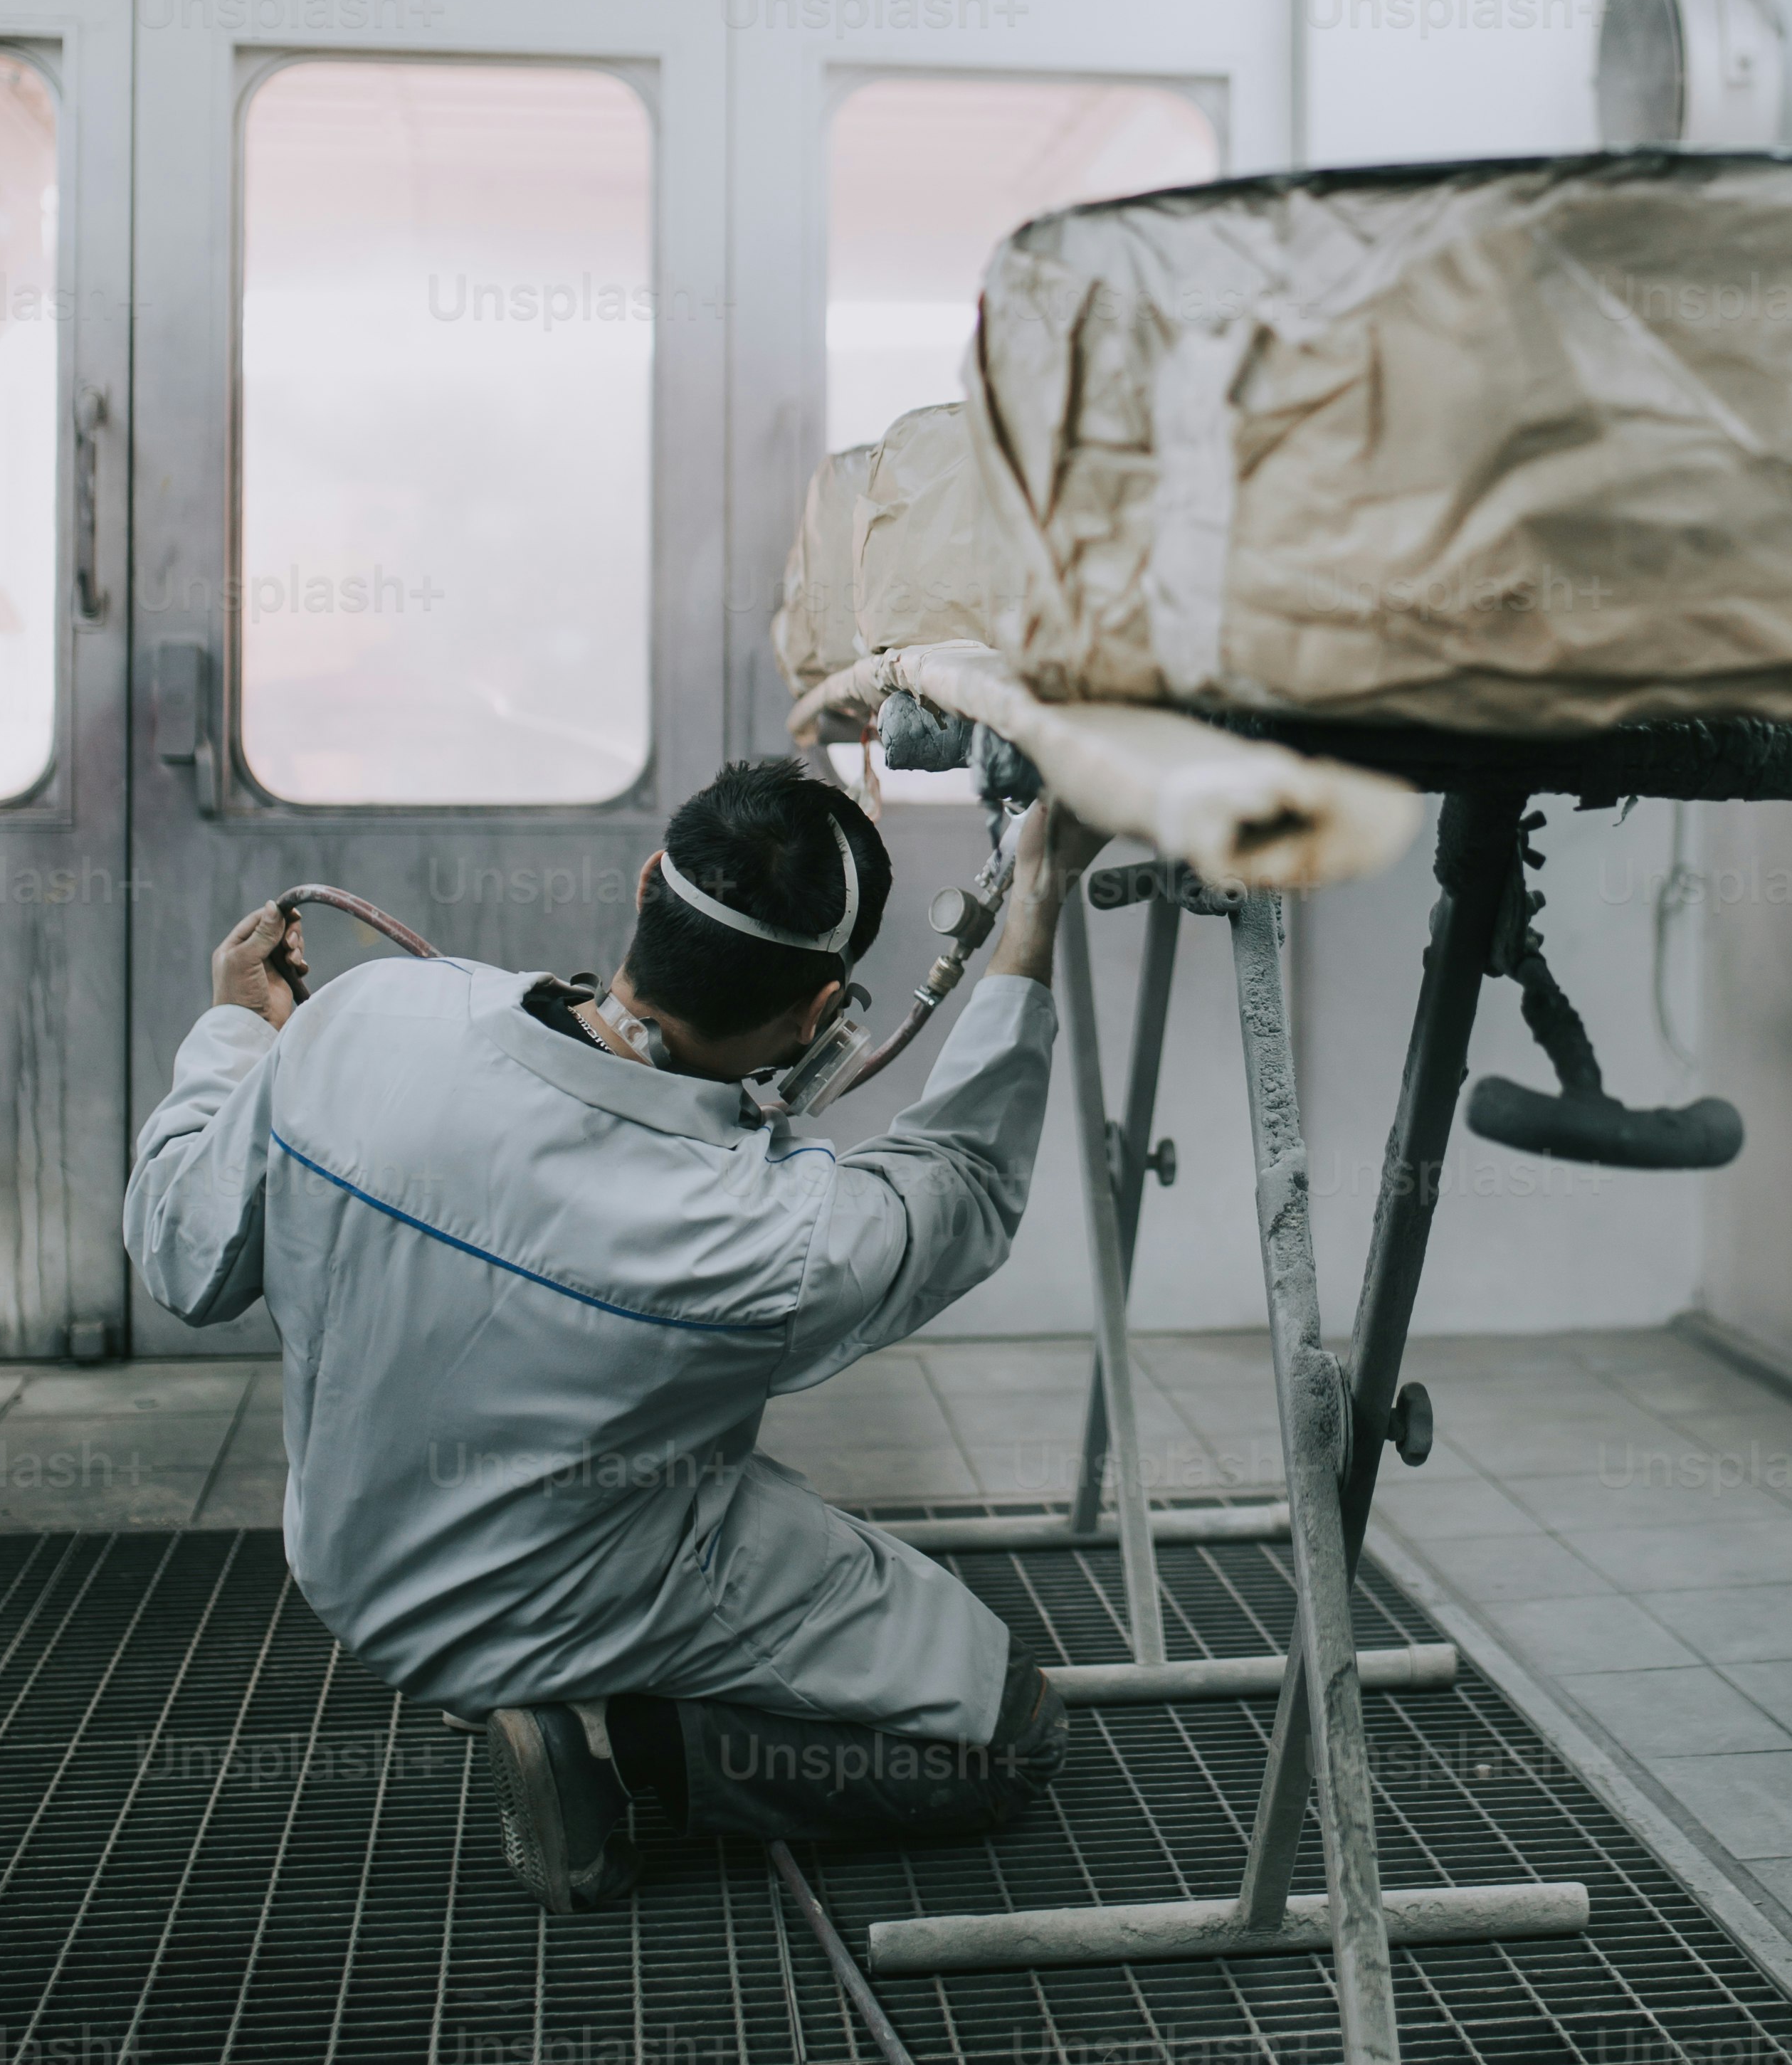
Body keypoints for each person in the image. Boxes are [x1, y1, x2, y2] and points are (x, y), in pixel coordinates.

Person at [124, 757, 1100, 1914]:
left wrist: (236, 1031)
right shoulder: (772, 1238)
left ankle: (556, 1701)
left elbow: (183, 1255)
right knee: (1014, 1738)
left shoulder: (367, 1015)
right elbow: (967, 1179)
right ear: (823, 1015)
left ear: (650, 882)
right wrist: (1035, 903)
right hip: (603, 1577)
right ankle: (617, 1755)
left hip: (347, 1562)